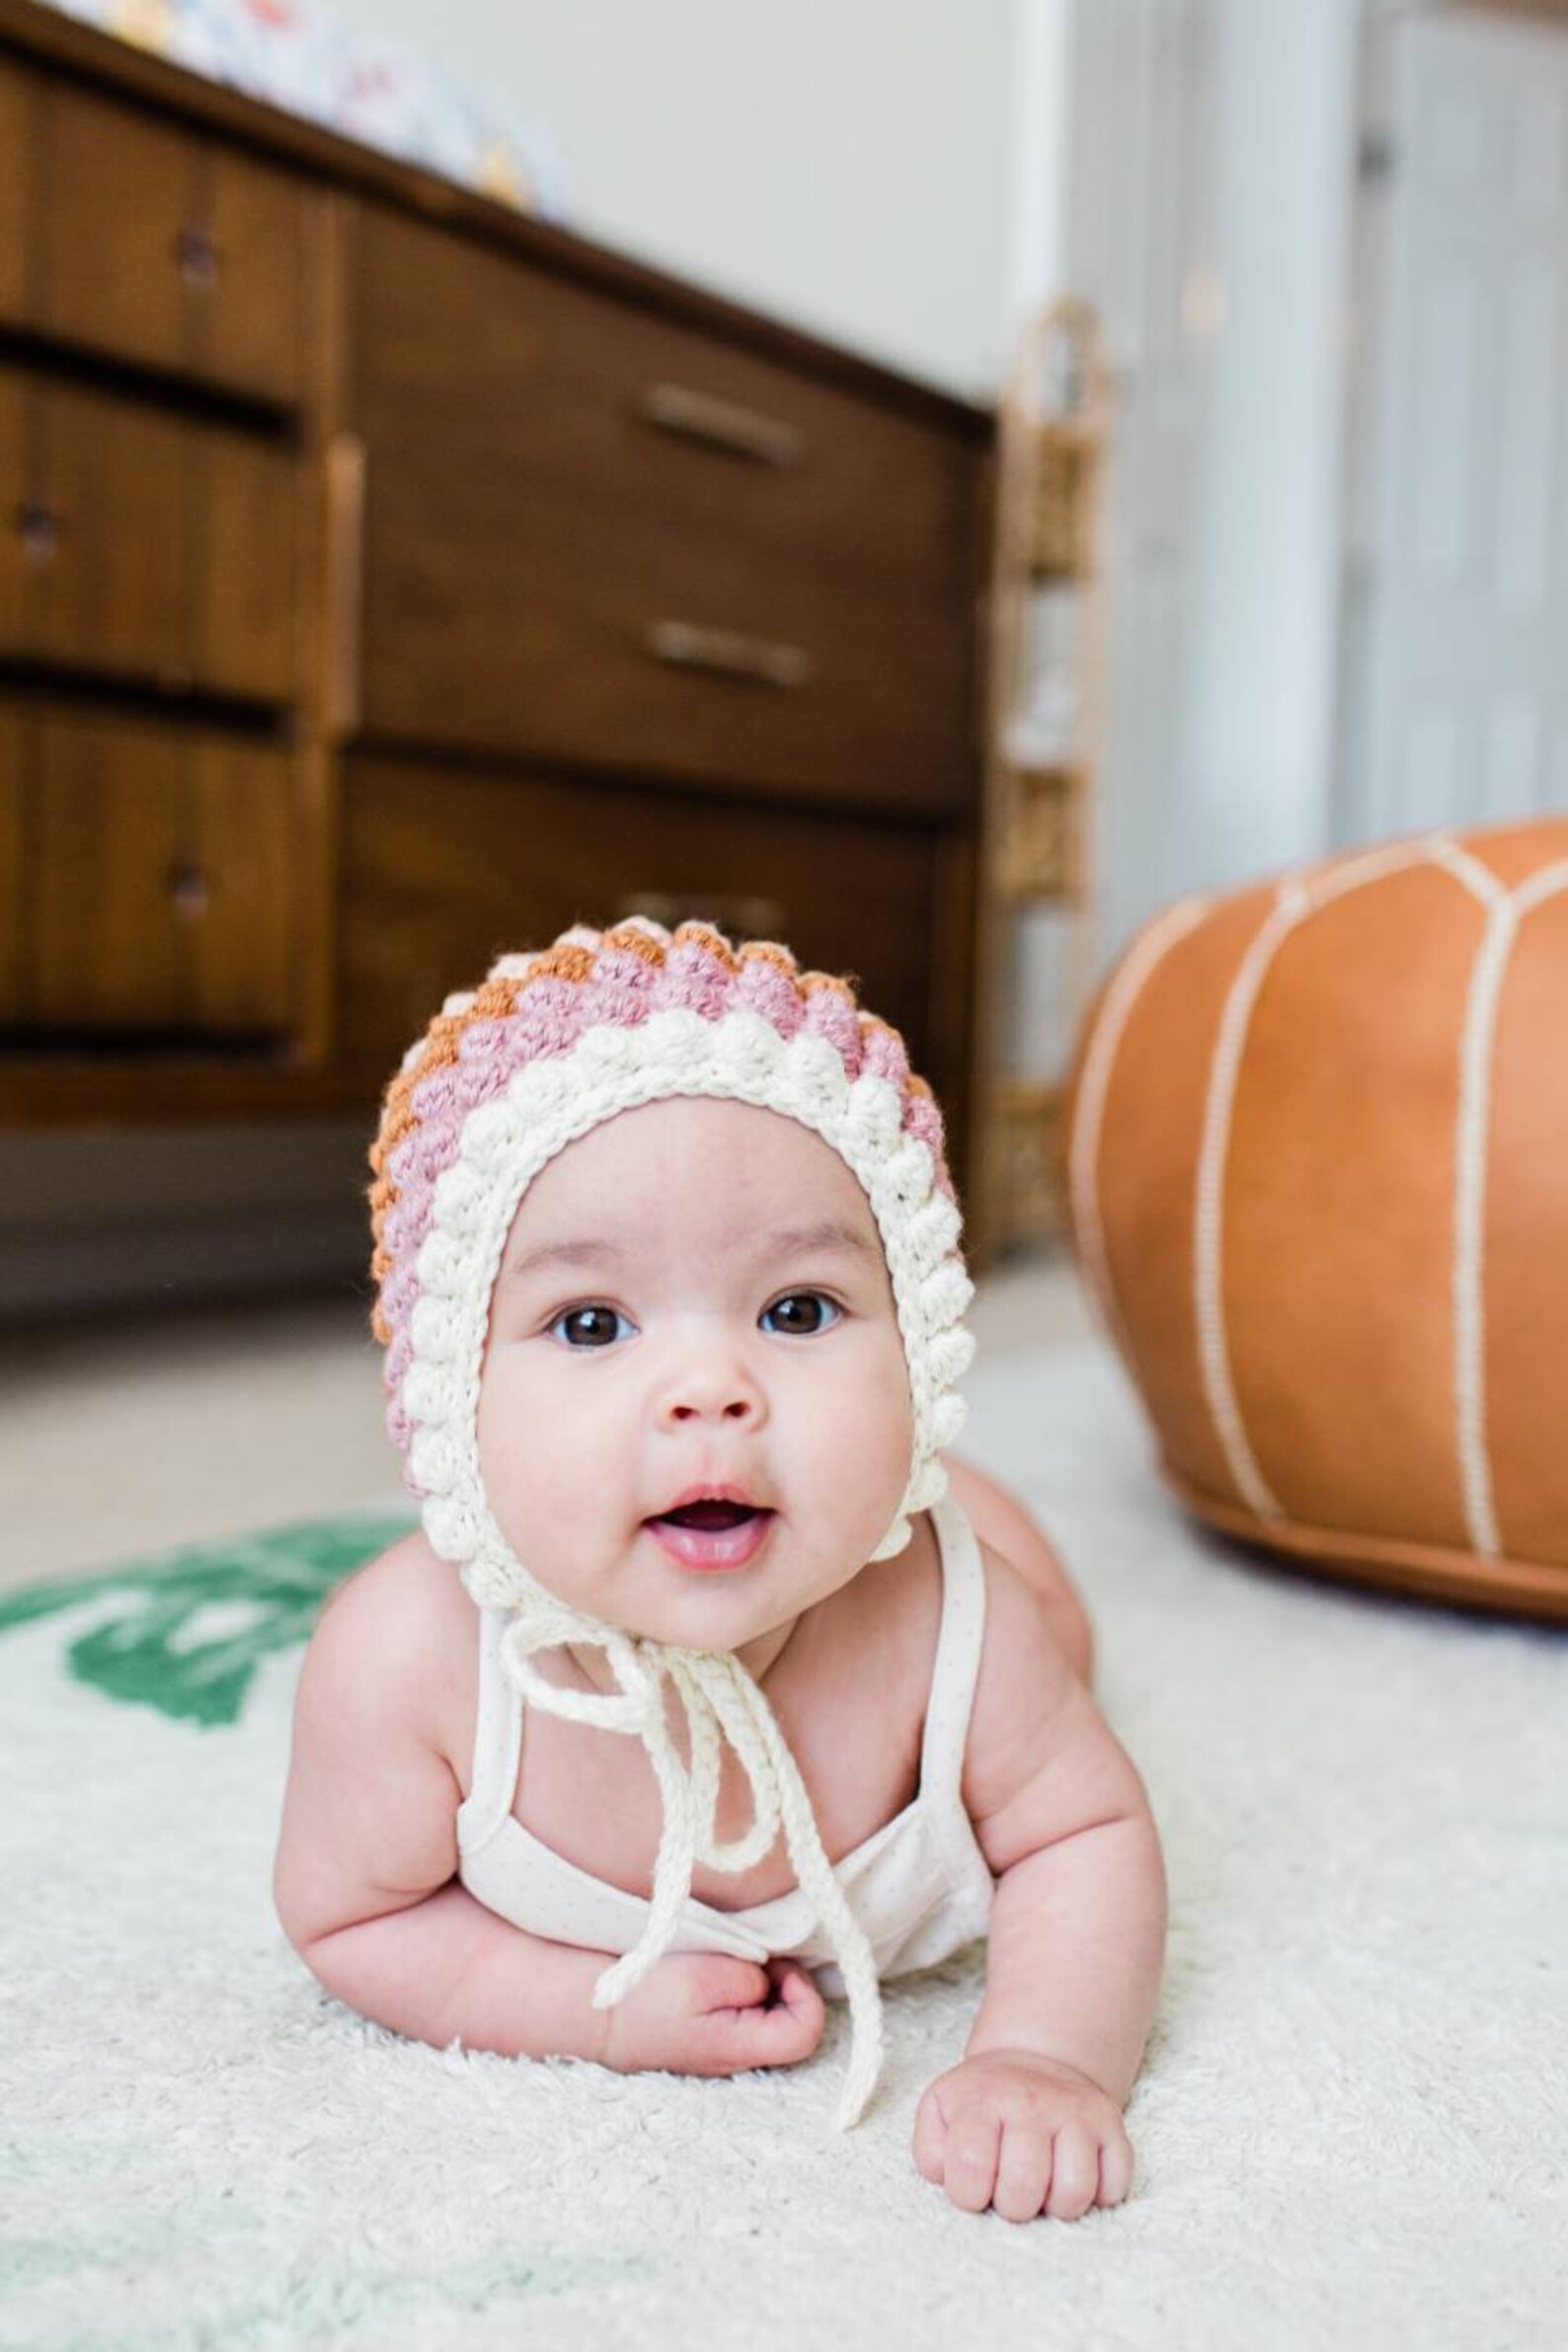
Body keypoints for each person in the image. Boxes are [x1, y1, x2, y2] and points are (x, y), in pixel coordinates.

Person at [274, 917, 1166, 2224]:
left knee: (1041, 1604)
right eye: (591, 1323)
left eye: (797, 1310)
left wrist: (1046, 2052)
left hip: (920, 1541)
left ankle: (946, 1483)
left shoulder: (952, 1623)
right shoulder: (404, 1666)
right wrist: (601, 2006)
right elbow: (350, 1922)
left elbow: (1087, 1835)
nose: (710, 1391)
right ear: (452, 1386)